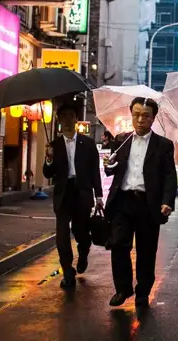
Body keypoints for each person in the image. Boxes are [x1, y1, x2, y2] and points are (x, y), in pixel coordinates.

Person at [104, 97, 177, 307]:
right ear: (131, 115)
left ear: (153, 118)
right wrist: (108, 165)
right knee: (118, 244)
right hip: (123, 201)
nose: (140, 119)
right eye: (136, 114)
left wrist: (167, 201)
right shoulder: (121, 140)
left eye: (145, 115)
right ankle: (123, 288)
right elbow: (113, 169)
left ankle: (143, 290)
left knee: (146, 250)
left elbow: (169, 176)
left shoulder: (163, 145)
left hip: (148, 204)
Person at [43, 104, 103, 289]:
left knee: (81, 232)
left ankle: (83, 253)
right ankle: (67, 270)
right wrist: (49, 159)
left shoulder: (88, 143)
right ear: (59, 120)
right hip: (63, 193)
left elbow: (94, 171)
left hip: (82, 192)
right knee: (61, 235)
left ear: (76, 119)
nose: (68, 120)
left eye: (71, 115)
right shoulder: (54, 145)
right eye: (64, 116)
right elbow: (47, 173)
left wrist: (99, 195)